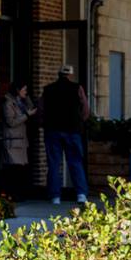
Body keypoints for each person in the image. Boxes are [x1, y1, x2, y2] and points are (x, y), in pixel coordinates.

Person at [41, 64, 90, 205]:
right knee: (75, 162)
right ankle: (81, 194)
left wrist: (44, 124)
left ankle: (55, 196)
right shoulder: (77, 88)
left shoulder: (48, 89)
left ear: (59, 74)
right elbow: (85, 109)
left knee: (54, 164)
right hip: (72, 130)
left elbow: (41, 110)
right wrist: (79, 122)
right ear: (70, 75)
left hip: (52, 130)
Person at [0, 80, 36, 199]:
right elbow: (11, 122)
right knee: (13, 169)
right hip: (12, 140)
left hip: (21, 140)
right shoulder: (8, 103)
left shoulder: (21, 102)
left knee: (21, 169)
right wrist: (27, 115)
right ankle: (12, 195)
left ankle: (19, 194)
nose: (26, 92)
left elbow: (32, 108)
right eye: (24, 90)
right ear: (17, 90)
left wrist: (26, 97)